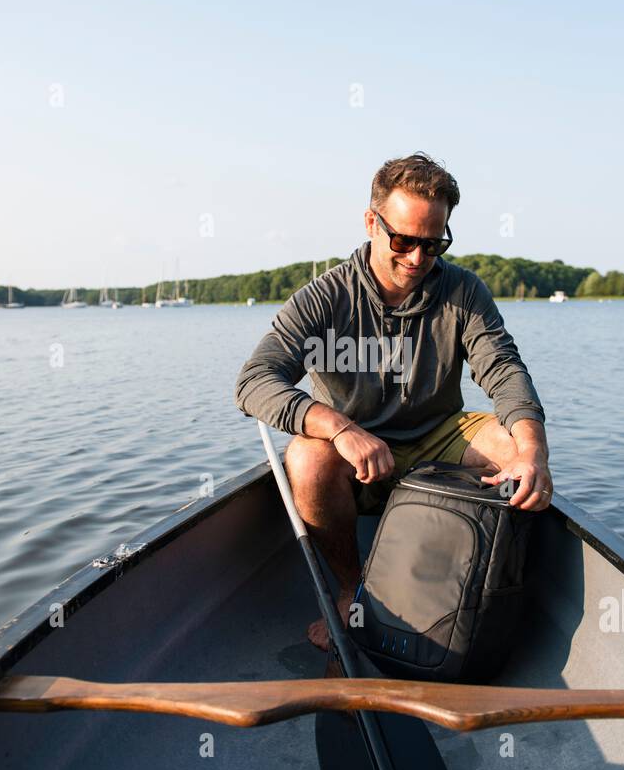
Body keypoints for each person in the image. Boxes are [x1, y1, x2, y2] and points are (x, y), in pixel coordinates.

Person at [234, 152, 551, 652]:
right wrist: (339, 428)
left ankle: (466, 592)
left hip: (436, 439)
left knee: (514, 451)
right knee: (306, 456)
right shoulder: (323, 297)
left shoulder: (464, 291)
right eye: (402, 240)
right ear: (371, 222)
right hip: (355, 454)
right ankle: (350, 590)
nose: (418, 259)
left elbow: (503, 369)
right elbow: (255, 382)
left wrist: (533, 450)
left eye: (434, 244)